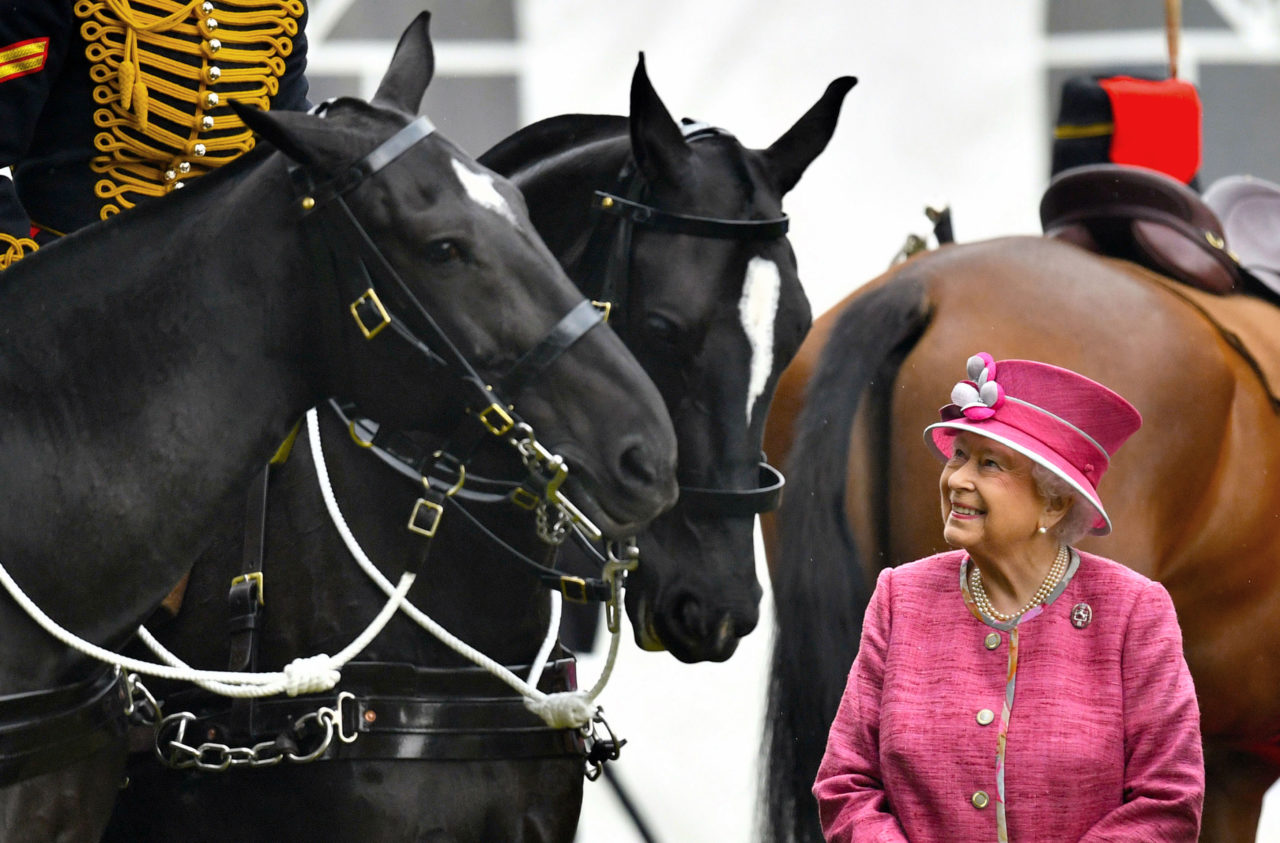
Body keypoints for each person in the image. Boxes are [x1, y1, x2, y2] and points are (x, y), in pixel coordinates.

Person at [812, 352, 1204, 842]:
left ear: (1054, 503)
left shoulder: (1132, 611)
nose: (957, 479)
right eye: (958, 455)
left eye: (989, 463)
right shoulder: (901, 597)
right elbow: (846, 783)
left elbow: (1168, 799)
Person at [1, 0, 310, 266]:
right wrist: (22, 279)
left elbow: (295, 154)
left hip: (227, 282)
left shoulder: (276, 8)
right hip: (74, 281)